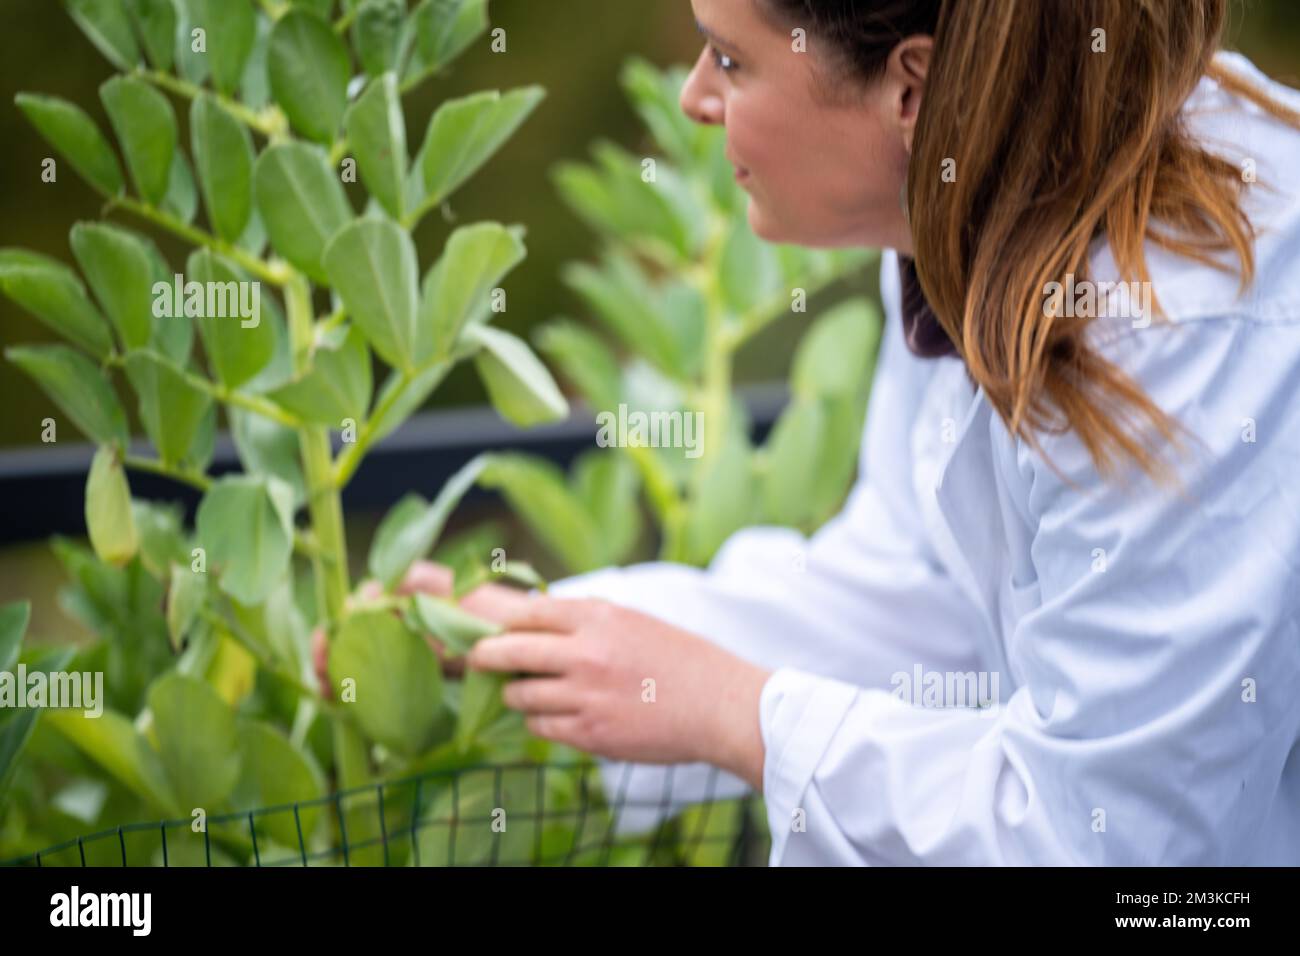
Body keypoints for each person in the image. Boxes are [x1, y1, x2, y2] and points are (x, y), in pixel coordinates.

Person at [322, 0, 1300, 865]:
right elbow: (918, 604)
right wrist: (547, 632)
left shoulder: (1182, 329)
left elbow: (1121, 845)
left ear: (910, 86)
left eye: (731, 59)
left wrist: (732, 711)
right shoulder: (978, 207)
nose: (694, 97)